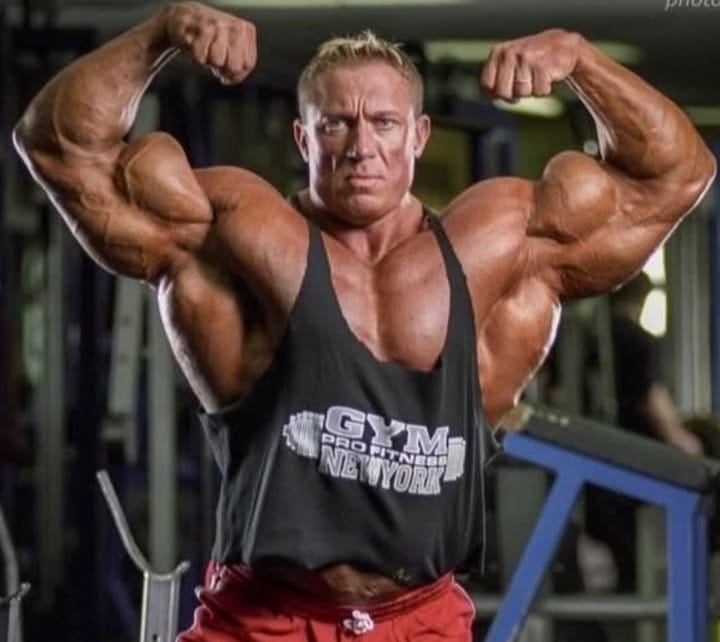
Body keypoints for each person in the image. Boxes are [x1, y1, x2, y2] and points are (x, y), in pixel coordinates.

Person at [12, 2, 716, 641]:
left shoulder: (501, 247)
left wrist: (581, 59)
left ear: (419, 135)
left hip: (420, 622)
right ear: (303, 137)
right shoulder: (240, 234)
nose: (360, 146)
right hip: (262, 619)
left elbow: (675, 176)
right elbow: (60, 148)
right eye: (336, 123)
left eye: (383, 122)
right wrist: (161, 32)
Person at [585, 273, 703, 592]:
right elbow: (652, 398)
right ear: (642, 297)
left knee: (621, 547)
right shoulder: (636, 339)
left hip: (593, 452)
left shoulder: (589, 339)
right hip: (635, 458)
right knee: (636, 549)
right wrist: (685, 443)